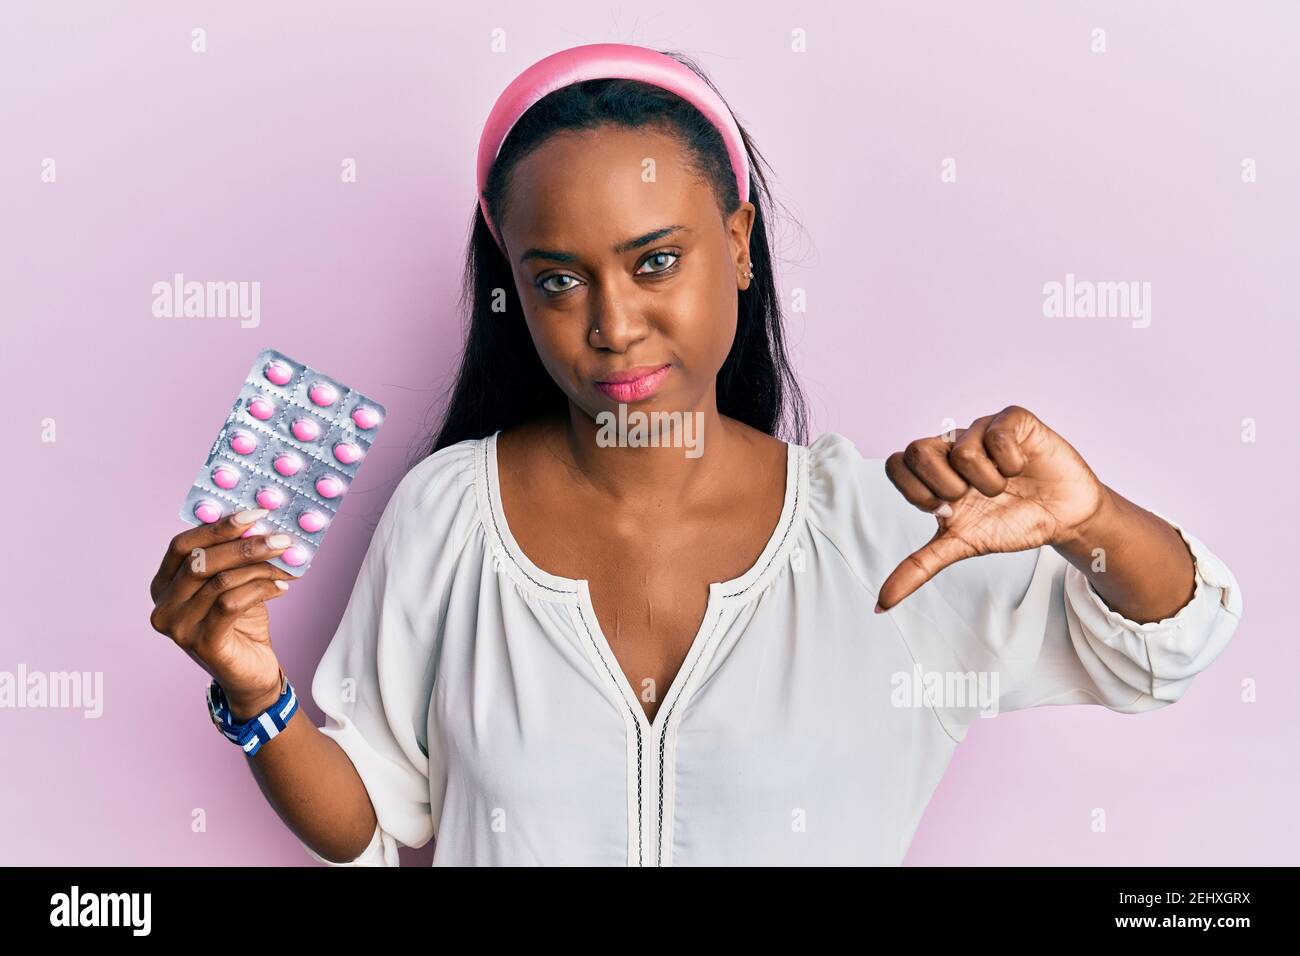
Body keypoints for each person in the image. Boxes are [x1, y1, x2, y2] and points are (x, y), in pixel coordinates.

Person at [148, 43, 1243, 866]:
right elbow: (370, 821)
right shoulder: (446, 515)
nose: (613, 323)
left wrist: (1093, 519)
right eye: (557, 278)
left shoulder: (889, 532)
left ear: (738, 243)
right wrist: (255, 688)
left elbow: (1163, 651)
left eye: (656, 259)